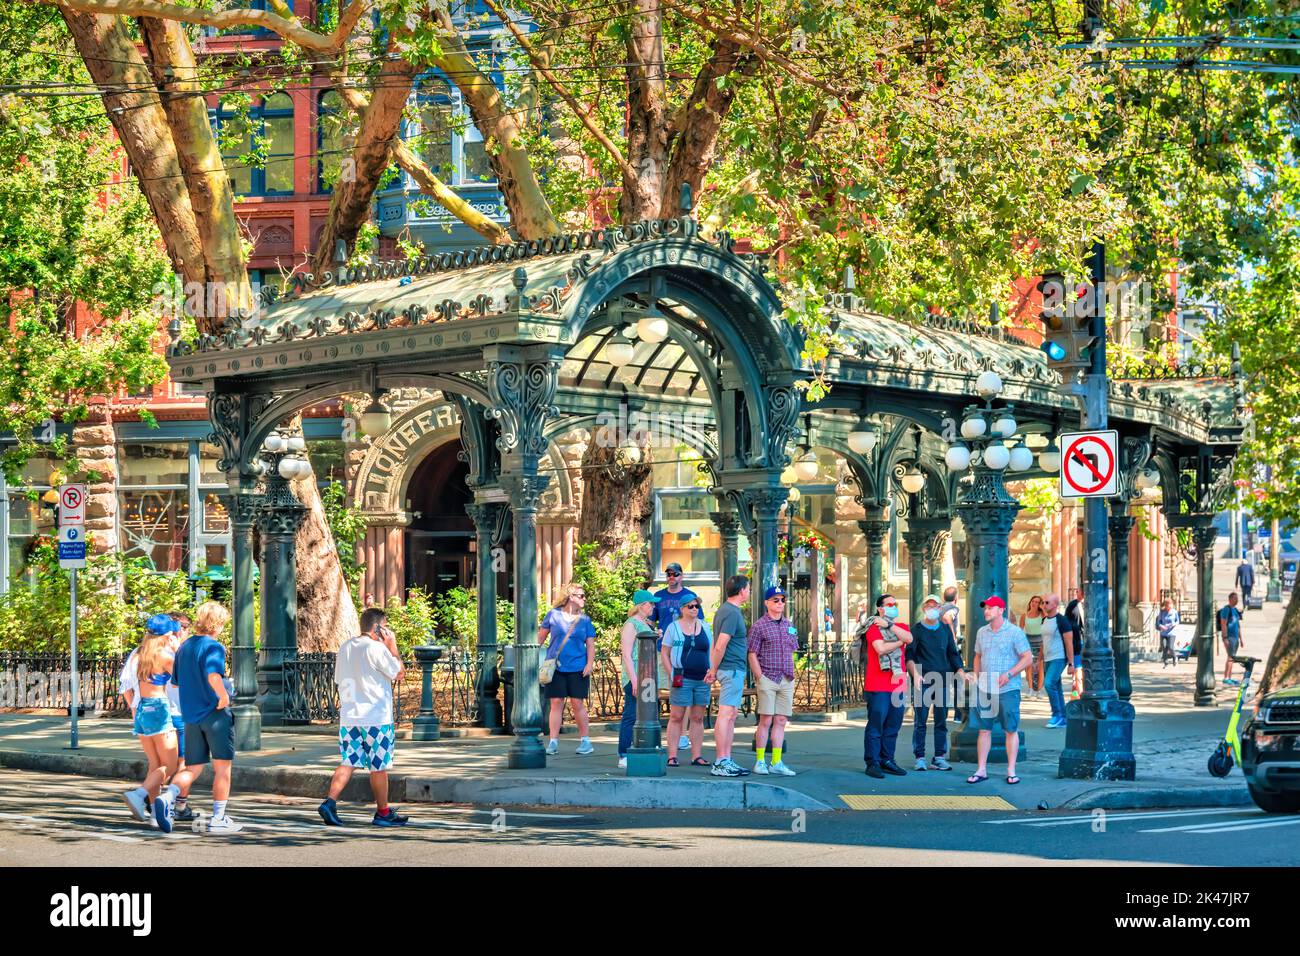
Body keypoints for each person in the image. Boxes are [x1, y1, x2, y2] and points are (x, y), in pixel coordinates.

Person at [153, 602, 240, 834]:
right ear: (217, 623)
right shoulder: (214, 647)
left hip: (191, 716)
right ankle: (218, 817)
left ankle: (168, 796)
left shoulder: (184, 647)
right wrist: (223, 697)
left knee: (192, 768)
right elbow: (213, 675)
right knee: (223, 768)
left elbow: (176, 681)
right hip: (214, 714)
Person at [319, 607, 409, 827]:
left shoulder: (346, 647)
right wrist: (393, 648)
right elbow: (399, 673)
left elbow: (340, 680)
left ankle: (329, 802)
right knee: (379, 766)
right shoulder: (377, 649)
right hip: (376, 717)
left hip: (350, 717)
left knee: (349, 760)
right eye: (385, 626)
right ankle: (383, 812)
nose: (388, 631)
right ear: (377, 627)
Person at [965, 596, 1032, 785]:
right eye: (985, 608)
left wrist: (1009, 674)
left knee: (1010, 729)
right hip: (985, 688)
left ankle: (1011, 771)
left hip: (1008, 689)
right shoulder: (981, 632)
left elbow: (1027, 658)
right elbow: (977, 656)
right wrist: (977, 677)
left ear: (1001, 610)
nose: (986, 611)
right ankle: (981, 769)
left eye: (990, 608)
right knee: (983, 730)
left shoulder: (1014, 632)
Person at [121, 614, 181, 824]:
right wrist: (176, 650)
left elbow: (127, 686)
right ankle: (140, 794)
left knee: (155, 764)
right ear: (166, 635)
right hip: (160, 708)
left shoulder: (138, 654)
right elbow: (180, 681)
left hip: (142, 708)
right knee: (171, 766)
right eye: (171, 632)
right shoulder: (165, 656)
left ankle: (156, 813)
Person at [907, 594, 964, 771]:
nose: (932, 608)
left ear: (940, 609)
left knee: (941, 721)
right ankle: (920, 757)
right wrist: (915, 674)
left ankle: (939, 757)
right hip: (923, 680)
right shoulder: (916, 630)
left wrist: (960, 671)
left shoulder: (945, 630)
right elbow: (909, 656)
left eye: (935, 605)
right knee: (921, 720)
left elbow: (953, 653)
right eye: (929, 605)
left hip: (943, 679)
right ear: (924, 608)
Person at [539, 583, 597, 756]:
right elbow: (540, 638)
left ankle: (585, 741)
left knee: (577, 703)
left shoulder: (585, 620)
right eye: (581, 595)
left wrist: (589, 664)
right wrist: (530, 656)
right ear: (571, 597)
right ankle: (553, 742)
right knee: (556, 703)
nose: (584, 598)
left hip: (578, 667)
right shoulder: (553, 615)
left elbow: (590, 645)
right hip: (556, 667)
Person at [747, 585, 798, 776]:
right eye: (775, 600)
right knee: (766, 720)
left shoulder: (789, 624)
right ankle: (760, 760)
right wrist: (760, 677)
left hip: (786, 677)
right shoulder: (759, 625)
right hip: (768, 677)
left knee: (781, 720)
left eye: (782, 600)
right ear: (767, 603)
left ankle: (776, 761)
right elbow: (752, 653)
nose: (780, 603)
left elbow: (793, 649)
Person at [861, 594, 911, 779]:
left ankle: (887, 760)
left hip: (897, 684)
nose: (893, 607)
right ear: (880, 609)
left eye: (895, 604)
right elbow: (880, 648)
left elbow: (910, 638)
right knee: (876, 726)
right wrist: (900, 642)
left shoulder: (900, 626)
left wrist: (891, 627)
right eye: (889, 604)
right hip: (878, 684)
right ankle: (872, 762)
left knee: (893, 725)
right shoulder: (872, 628)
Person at [660, 596, 712, 767]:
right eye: (690, 606)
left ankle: (696, 755)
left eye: (697, 606)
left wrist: (712, 671)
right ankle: (672, 755)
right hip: (682, 676)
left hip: (702, 678)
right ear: (682, 608)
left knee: (697, 717)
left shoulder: (705, 626)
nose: (695, 609)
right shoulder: (673, 627)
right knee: (676, 716)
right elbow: (665, 652)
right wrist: (671, 673)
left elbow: (711, 651)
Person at [708, 574, 751, 777]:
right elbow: (720, 644)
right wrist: (713, 670)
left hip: (732, 668)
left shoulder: (726, 611)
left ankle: (726, 758)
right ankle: (720, 761)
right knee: (726, 715)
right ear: (742, 590)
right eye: (748, 588)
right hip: (731, 668)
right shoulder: (732, 613)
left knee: (731, 714)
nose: (749, 592)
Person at [653, 562, 698, 751]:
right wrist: (654, 630)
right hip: (662, 648)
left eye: (675, 574)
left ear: (682, 576)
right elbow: (650, 617)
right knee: (658, 689)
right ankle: (656, 731)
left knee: (682, 691)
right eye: (669, 574)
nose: (672, 577)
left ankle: (683, 734)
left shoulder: (689, 597)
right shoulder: (658, 596)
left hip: (683, 651)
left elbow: (699, 620)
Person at [618, 589, 660, 771]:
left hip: (646, 674)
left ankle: (638, 748)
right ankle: (623, 754)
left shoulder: (645, 623)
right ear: (641, 605)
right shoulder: (631, 624)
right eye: (651, 603)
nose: (653, 606)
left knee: (645, 714)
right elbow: (626, 655)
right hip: (635, 675)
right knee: (631, 714)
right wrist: (634, 680)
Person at [1038, 592, 1075, 728]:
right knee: (1056, 686)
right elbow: (1044, 641)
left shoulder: (1062, 621)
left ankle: (1056, 715)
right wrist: (1039, 660)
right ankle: (1063, 717)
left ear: (1055, 604)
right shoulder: (1044, 620)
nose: (1043, 604)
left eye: (1046, 602)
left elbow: (1069, 643)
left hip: (1059, 658)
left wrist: (1071, 663)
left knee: (1049, 684)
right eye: (1043, 602)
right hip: (1048, 658)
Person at [1020, 595, 1045, 698]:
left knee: (1040, 667)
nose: (1034, 603)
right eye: (1033, 601)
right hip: (1028, 642)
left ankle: (1039, 691)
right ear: (1030, 602)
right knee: (1028, 667)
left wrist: (1043, 607)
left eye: (1037, 602)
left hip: (1041, 642)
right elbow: (1020, 631)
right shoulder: (1024, 616)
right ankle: (1030, 690)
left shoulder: (1042, 615)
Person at [1218, 592, 1245, 685]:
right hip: (1229, 637)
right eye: (1235, 598)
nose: (1237, 600)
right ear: (1230, 599)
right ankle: (1226, 677)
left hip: (1235, 637)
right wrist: (1225, 638)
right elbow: (1223, 624)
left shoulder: (1236, 610)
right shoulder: (1226, 609)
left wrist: (1241, 639)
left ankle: (1229, 676)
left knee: (1232, 658)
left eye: (1237, 598)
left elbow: (1238, 625)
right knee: (1230, 657)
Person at [1065, 587, 1085, 697]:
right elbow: (1066, 621)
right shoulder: (1072, 605)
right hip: (1076, 642)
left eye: (1079, 591)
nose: (1076, 592)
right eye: (1076, 591)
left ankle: (1074, 696)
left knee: (1078, 674)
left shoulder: (1087, 605)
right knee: (1078, 671)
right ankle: (1080, 695)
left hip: (1086, 641)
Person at [1156, 598, 1180, 667]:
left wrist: (1174, 624)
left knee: (1171, 647)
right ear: (1165, 605)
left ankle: (1175, 658)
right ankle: (1166, 663)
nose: (1169, 606)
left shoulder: (1174, 612)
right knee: (1164, 647)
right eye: (1167, 605)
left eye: (1170, 604)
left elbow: (1177, 621)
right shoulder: (1162, 612)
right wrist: (1161, 626)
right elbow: (1159, 622)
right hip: (1163, 633)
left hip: (1172, 633)